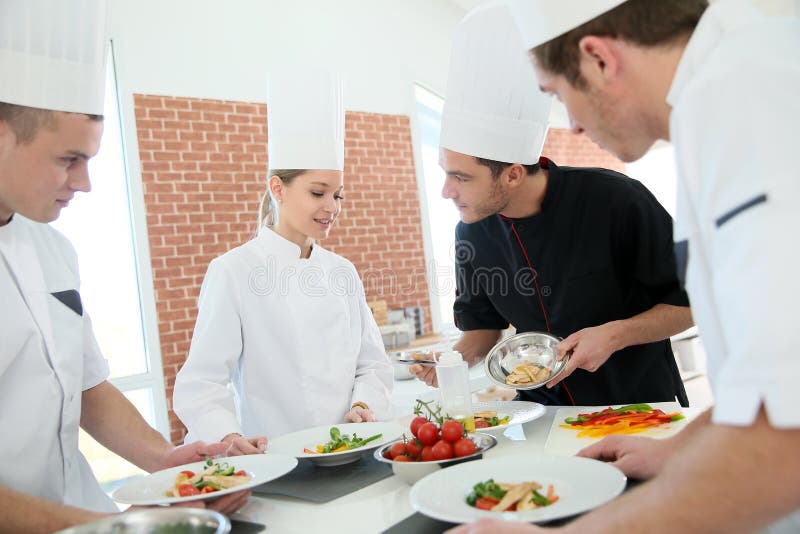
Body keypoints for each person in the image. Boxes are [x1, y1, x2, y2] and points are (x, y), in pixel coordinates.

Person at [449, 0, 800, 532]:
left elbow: (783, 443)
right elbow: (767, 389)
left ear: (598, 59)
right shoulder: (730, 87)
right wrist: (678, 449)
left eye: (556, 93)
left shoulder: (750, 96)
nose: (571, 123)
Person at [0, 1, 249, 531]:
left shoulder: (51, 247)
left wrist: (163, 462)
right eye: (69, 159)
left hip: (83, 513)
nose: (85, 182)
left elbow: (87, 387)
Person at [411, 3, 692, 408]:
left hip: (639, 408)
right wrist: (451, 361)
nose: (446, 191)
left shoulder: (615, 201)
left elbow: (690, 302)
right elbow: (483, 331)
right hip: (541, 418)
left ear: (511, 174)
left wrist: (613, 335)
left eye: (461, 177)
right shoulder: (470, 230)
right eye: (445, 172)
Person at [173, 70, 393, 447]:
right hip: (277, 459)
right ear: (278, 188)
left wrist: (363, 403)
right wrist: (227, 435)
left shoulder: (342, 271)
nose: (331, 207)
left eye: (337, 195)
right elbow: (202, 382)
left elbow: (372, 364)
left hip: (355, 451)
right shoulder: (234, 271)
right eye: (318, 193)